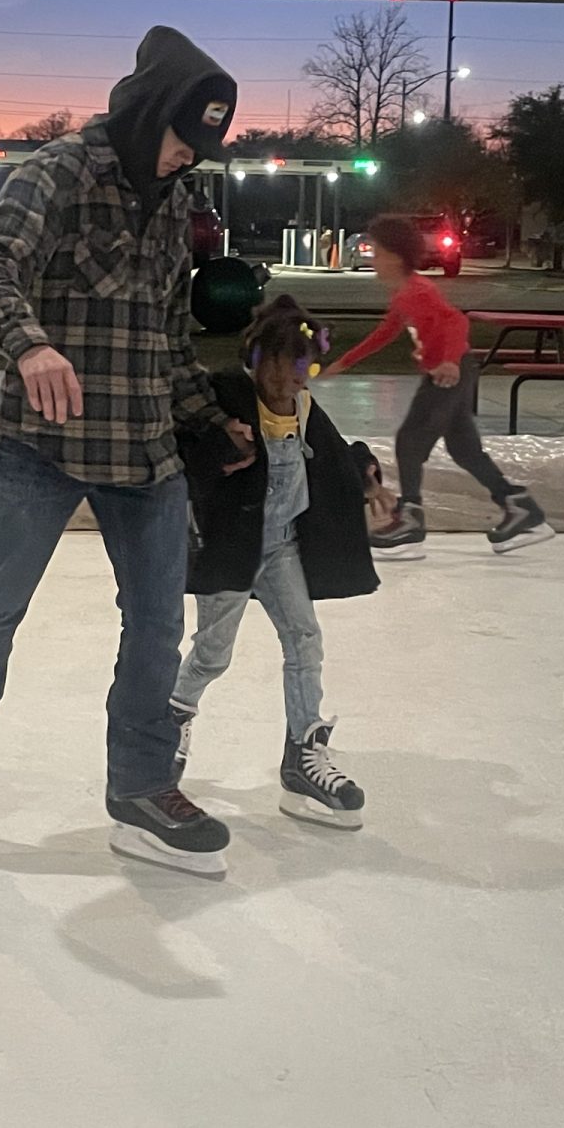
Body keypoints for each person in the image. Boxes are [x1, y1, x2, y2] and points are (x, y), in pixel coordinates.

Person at [0, 26, 254, 877]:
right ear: (150, 114)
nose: (189, 157)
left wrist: (206, 418)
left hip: (145, 456)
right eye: (184, 136)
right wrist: (30, 344)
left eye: (203, 146)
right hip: (41, 449)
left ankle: (143, 787)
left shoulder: (179, 198)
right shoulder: (60, 171)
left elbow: (166, 332)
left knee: (156, 629)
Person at [171, 296, 391, 828]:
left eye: (306, 367)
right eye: (287, 364)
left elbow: (337, 453)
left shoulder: (305, 408)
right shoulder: (227, 396)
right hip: (230, 547)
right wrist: (221, 452)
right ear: (258, 358)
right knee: (212, 654)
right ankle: (170, 723)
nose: (296, 378)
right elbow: (186, 448)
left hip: (281, 547)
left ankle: (302, 756)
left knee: (305, 640)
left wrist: (367, 477)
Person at [323, 213, 552, 557]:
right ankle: (522, 509)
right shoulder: (404, 295)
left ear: (396, 257)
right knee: (465, 451)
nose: (373, 260)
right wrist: (344, 362)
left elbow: (455, 321)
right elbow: (384, 334)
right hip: (452, 372)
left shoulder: (418, 291)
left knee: (410, 440)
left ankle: (411, 521)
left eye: (378, 252)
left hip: (449, 373)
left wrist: (448, 361)